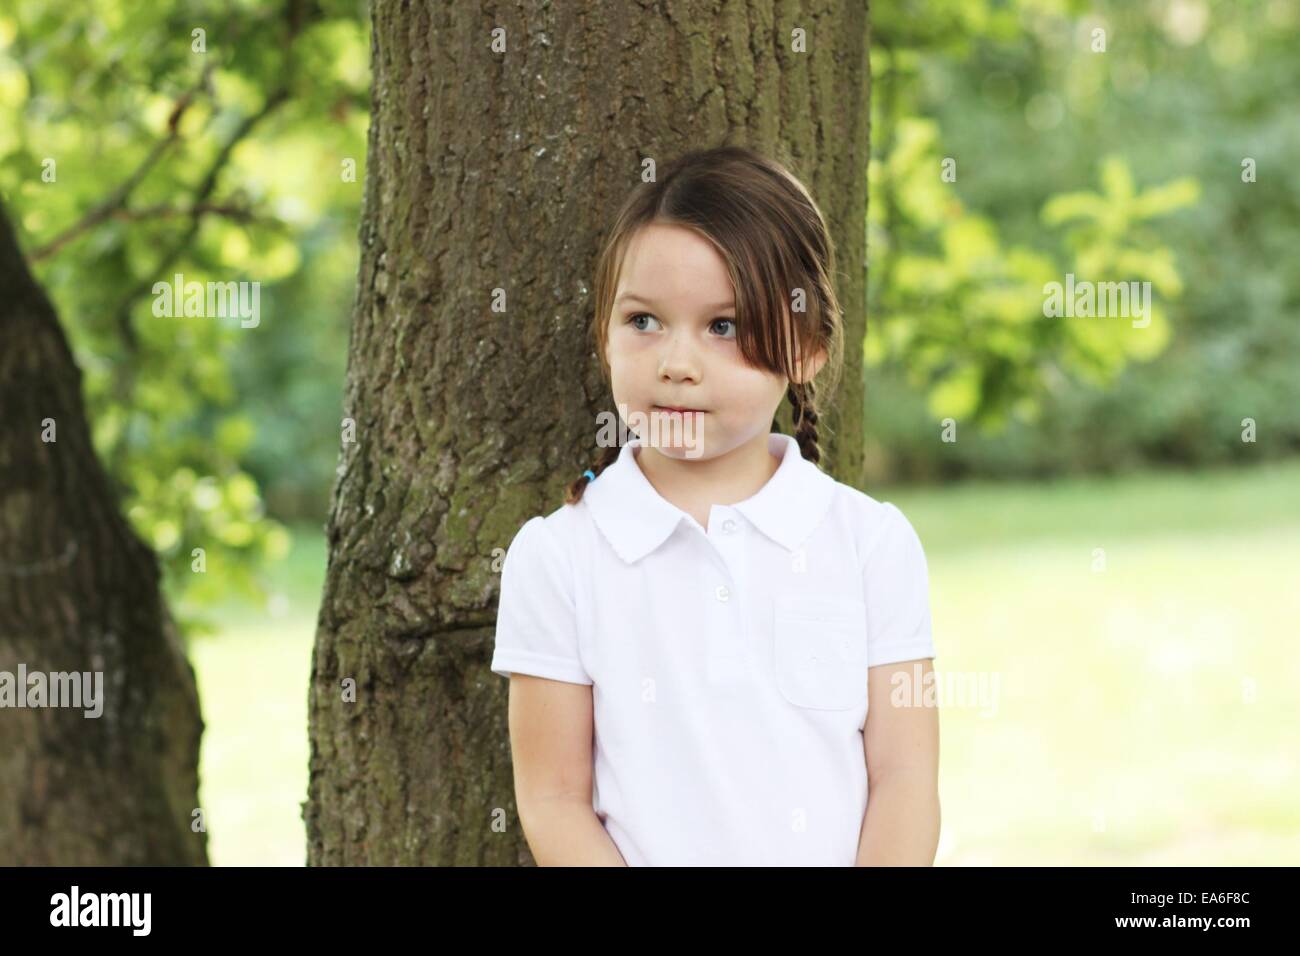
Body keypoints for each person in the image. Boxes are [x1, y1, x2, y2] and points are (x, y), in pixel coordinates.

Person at [490, 145, 940, 866]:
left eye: (722, 327)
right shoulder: (557, 558)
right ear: (604, 335)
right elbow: (553, 800)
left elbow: (905, 777)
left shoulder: (871, 544)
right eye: (643, 321)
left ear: (808, 347)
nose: (676, 361)